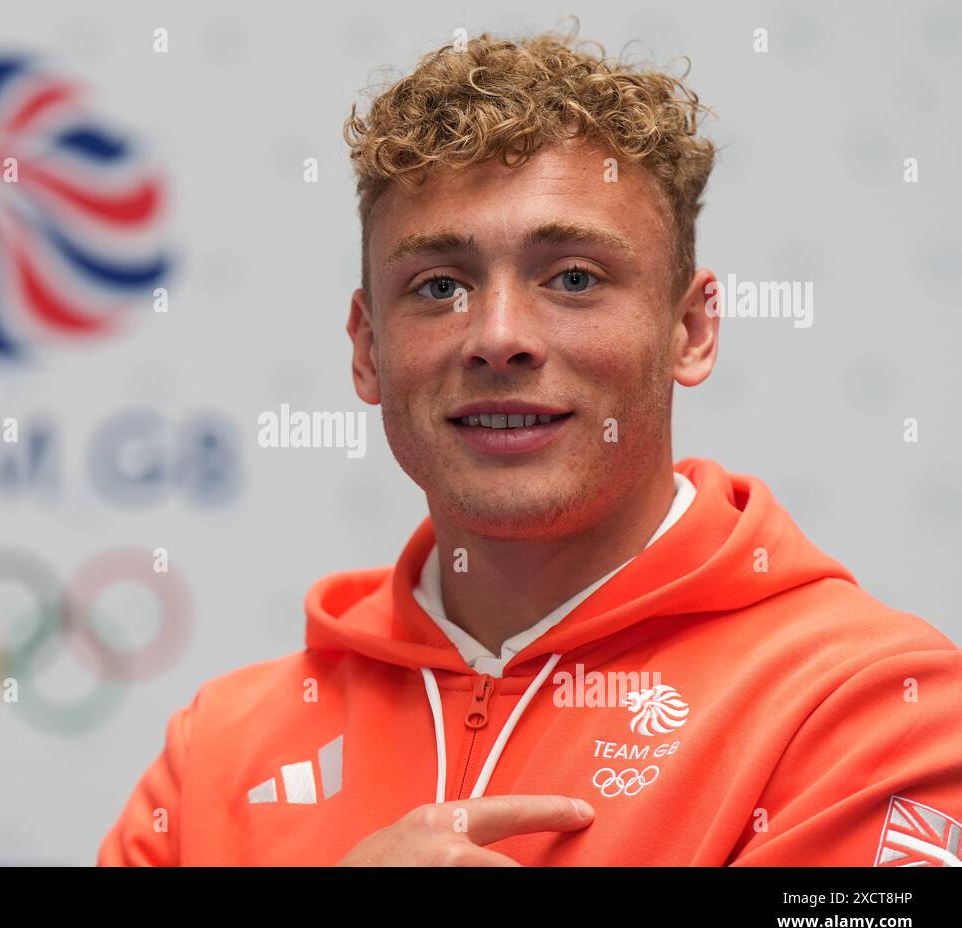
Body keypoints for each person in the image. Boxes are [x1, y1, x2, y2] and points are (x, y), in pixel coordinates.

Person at [98, 27, 962, 866]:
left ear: (691, 330)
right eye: (439, 286)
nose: (498, 337)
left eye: (574, 278)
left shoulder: (872, 705)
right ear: (367, 350)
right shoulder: (217, 750)